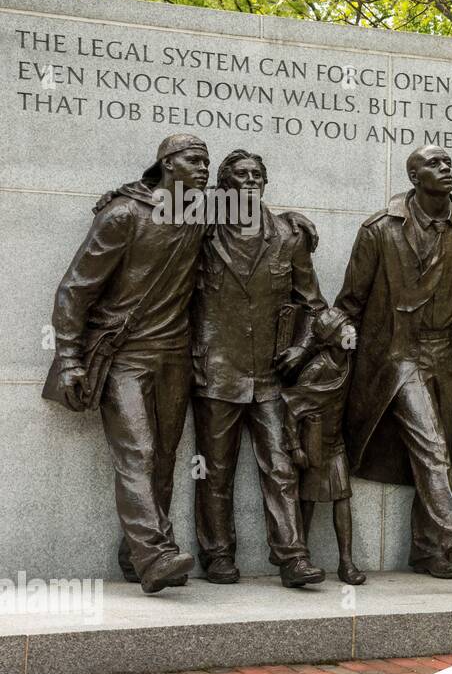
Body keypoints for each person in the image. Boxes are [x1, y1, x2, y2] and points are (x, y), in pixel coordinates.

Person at [47, 134, 210, 593]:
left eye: (206, 162)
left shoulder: (200, 216)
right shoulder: (123, 214)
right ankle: (156, 554)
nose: (203, 169)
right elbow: (74, 289)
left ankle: (135, 554)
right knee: (136, 452)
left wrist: (294, 223)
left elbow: (250, 220)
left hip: (174, 355)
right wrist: (69, 358)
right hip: (123, 356)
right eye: (194, 160)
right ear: (166, 164)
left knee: (162, 457)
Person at [335, 146, 452, 580]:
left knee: (441, 447)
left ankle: (427, 551)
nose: (446, 168)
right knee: (431, 444)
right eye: (434, 163)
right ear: (412, 175)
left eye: (449, 162)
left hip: (449, 355)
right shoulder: (379, 229)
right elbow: (351, 299)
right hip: (397, 354)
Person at [189, 149, 327, 588]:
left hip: (271, 375)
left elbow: (313, 304)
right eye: (240, 175)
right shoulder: (201, 228)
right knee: (214, 470)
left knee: (281, 466)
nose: (250, 181)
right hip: (216, 370)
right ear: (223, 184)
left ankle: (292, 557)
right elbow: (158, 203)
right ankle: (218, 556)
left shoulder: (288, 234)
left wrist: (302, 348)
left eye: (257, 175)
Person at [282, 307, 366, 585]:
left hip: (335, 443)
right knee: (307, 502)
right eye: (344, 328)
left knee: (342, 499)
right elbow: (293, 409)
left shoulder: (350, 360)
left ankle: (346, 563)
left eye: (349, 324)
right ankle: (298, 558)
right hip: (314, 442)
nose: (351, 330)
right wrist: (296, 448)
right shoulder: (317, 369)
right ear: (331, 338)